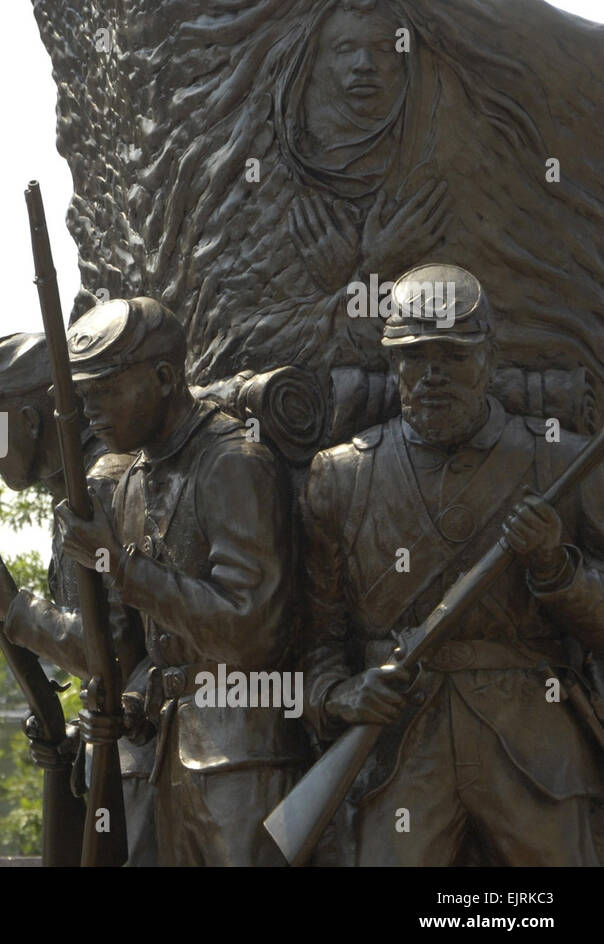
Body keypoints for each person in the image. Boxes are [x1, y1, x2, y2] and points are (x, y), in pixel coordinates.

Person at [301, 262, 604, 865]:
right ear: (392, 365)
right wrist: (339, 696)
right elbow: (316, 639)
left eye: (453, 355)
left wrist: (556, 569)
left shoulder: (561, 464)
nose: (432, 375)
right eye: (414, 357)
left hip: (535, 752)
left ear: (489, 359)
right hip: (400, 751)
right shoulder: (341, 476)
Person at [53, 297, 306, 865]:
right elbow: (157, 645)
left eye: (104, 390)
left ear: (164, 377)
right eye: (82, 396)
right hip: (166, 753)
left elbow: (250, 629)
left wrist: (117, 566)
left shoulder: (233, 461)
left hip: (242, 759)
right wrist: (131, 695)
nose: (89, 411)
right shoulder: (133, 481)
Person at [0, 331, 156, 865]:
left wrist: (14, 610)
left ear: (33, 422)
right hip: (117, 753)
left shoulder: (102, 488)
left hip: (148, 757)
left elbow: (111, 655)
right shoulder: (72, 491)